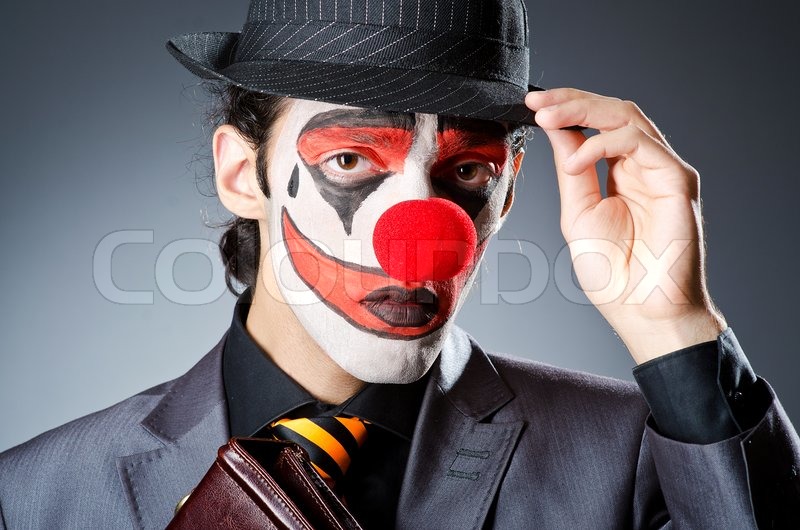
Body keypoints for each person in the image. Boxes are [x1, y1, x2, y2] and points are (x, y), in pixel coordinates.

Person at [1, 0, 798, 528]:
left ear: (509, 194)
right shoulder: (35, 499)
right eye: (350, 159)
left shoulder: (637, 460)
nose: (421, 237)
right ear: (243, 173)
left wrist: (673, 324)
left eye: (469, 171)